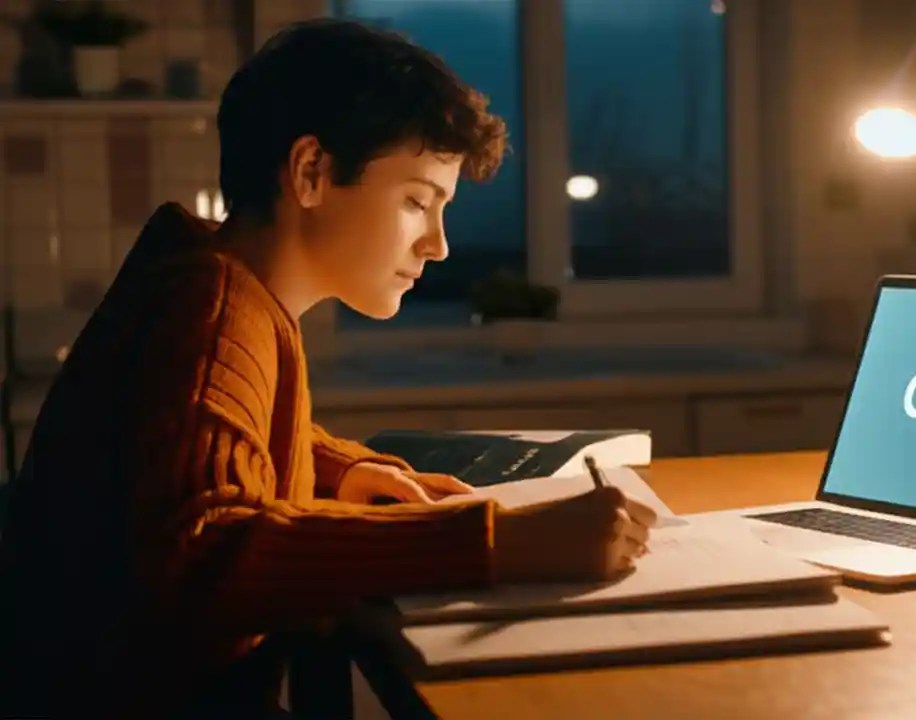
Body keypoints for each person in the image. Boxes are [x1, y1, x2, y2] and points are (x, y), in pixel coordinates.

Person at [0, 18, 656, 719]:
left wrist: (336, 469)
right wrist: (502, 542)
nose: (436, 245)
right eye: (416, 201)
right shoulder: (217, 309)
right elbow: (201, 556)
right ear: (311, 172)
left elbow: (194, 429)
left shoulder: (210, 283)